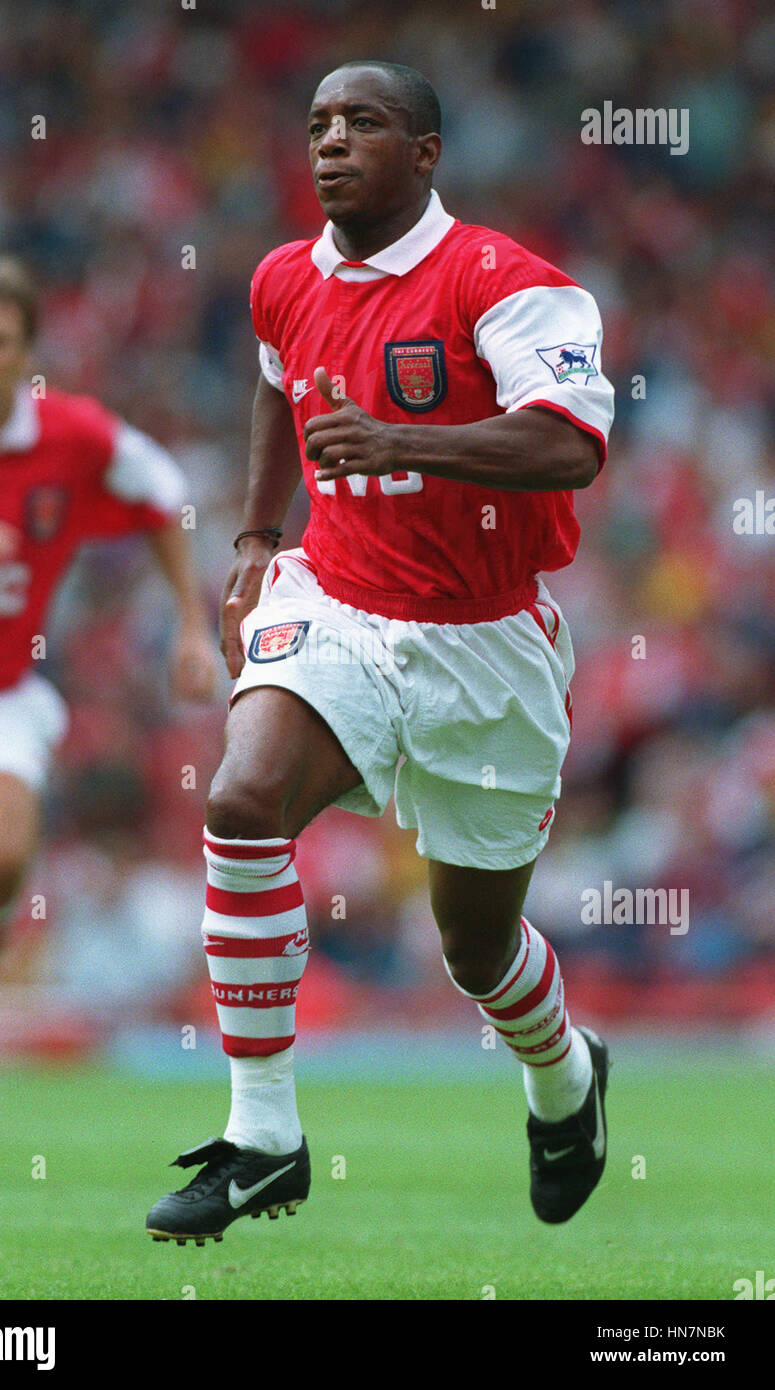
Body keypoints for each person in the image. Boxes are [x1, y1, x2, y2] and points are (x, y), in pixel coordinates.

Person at [146, 60, 615, 1247]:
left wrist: (409, 437)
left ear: (426, 152)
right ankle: (264, 1137)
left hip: (489, 645)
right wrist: (258, 538)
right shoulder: (280, 280)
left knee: (476, 946)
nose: (331, 142)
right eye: (316, 124)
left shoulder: (506, 283)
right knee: (245, 800)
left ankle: (564, 1080)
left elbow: (568, 449)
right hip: (339, 599)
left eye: (364, 122)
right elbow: (271, 386)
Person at [0, 257, 216, 1152]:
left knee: (1, 855)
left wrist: (192, 630)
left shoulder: (72, 439)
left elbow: (166, 497)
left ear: (26, 356)